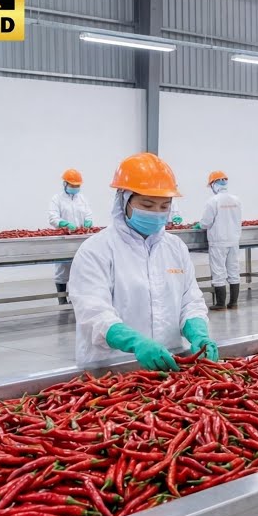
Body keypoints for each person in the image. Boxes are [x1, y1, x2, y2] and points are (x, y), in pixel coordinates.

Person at [68, 153, 218, 371]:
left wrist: (198, 333)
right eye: (147, 205)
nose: (156, 213)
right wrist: (135, 343)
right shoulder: (96, 250)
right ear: (124, 200)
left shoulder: (175, 248)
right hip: (113, 367)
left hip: (170, 364)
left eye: (164, 206)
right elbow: (93, 312)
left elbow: (190, 301)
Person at [195, 171, 243, 311]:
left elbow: (205, 222)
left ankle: (220, 304)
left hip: (218, 241)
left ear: (213, 184)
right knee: (234, 270)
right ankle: (233, 303)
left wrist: (200, 225)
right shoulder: (236, 199)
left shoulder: (213, 201)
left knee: (218, 272)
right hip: (234, 240)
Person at [47, 168, 93, 305]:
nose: (75, 188)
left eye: (77, 186)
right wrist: (63, 223)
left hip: (79, 238)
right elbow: (52, 217)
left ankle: (76, 298)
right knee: (62, 269)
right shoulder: (57, 199)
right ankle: (62, 299)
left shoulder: (82, 198)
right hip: (64, 238)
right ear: (65, 184)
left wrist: (88, 221)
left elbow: (88, 213)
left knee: (79, 269)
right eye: (72, 185)